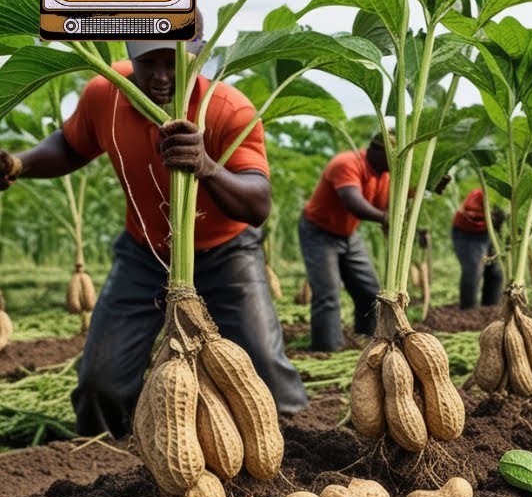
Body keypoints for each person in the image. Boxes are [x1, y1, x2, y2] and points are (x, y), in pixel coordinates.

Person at [0, 39, 309, 438]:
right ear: (130, 55)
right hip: (144, 254)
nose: (162, 77)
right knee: (100, 382)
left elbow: (257, 205)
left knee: (264, 369)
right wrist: (19, 163)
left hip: (227, 253)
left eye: (174, 63)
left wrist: (207, 167)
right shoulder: (105, 94)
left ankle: (294, 449)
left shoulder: (228, 108)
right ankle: (99, 461)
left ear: (197, 58)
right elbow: (71, 145)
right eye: (150, 63)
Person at [297, 135, 391, 351]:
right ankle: (326, 350)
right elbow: (353, 202)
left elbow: (388, 203)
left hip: (348, 235)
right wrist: (385, 218)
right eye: (392, 156)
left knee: (370, 290)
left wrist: (427, 187)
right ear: (376, 151)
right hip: (318, 232)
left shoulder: (383, 174)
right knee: (328, 293)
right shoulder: (347, 163)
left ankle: (366, 339)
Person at [451, 188, 503, 309]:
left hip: (489, 232)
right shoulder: (478, 193)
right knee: (473, 270)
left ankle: (490, 308)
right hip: (467, 233)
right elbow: (470, 211)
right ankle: (468, 312)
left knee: (496, 272)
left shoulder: (505, 195)